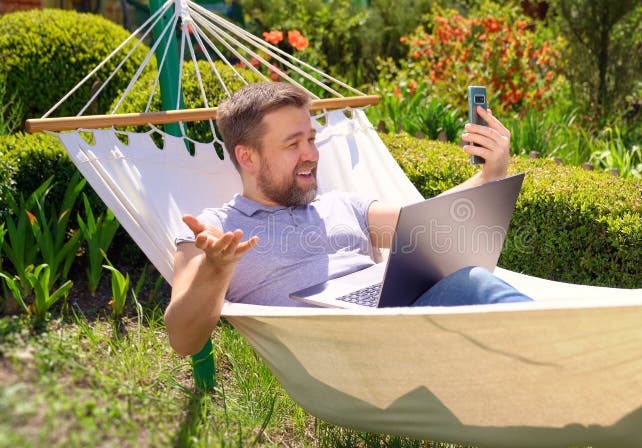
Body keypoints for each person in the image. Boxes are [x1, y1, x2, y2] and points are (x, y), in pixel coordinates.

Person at [165, 82, 532, 356]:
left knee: (468, 280)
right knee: (472, 285)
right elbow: (182, 338)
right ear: (248, 158)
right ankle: (565, 354)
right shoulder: (216, 231)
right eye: (293, 145)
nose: (310, 154)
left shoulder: (341, 205)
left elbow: (427, 224)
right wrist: (215, 269)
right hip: (344, 352)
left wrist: (489, 175)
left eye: (311, 139)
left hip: (399, 321)